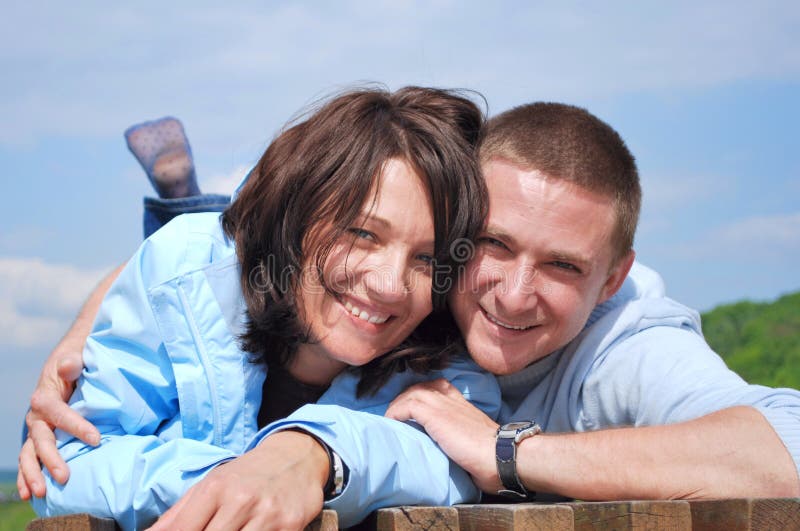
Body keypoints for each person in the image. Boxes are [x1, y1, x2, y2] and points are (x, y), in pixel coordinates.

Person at [22, 101, 800, 519]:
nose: (515, 292)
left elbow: (789, 447)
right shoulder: (419, 292)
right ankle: (184, 200)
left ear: (612, 277)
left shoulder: (618, 340)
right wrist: (92, 316)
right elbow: (243, 242)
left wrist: (499, 452)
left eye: (562, 266)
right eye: (492, 243)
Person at [21, 86, 503, 530]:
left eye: (427, 257)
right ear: (299, 212)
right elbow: (66, 466)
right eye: (363, 234)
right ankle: (181, 198)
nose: (391, 285)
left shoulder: (454, 342)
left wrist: (314, 457)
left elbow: (456, 463)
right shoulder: (183, 270)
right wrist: (241, 476)